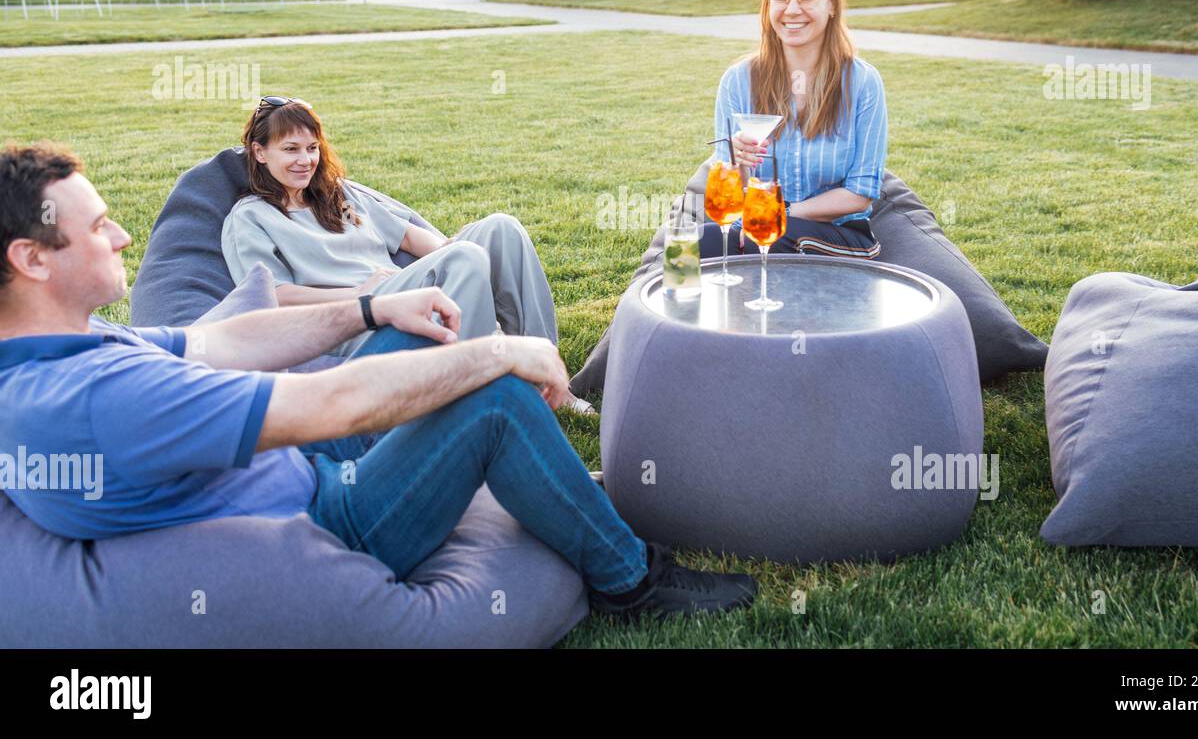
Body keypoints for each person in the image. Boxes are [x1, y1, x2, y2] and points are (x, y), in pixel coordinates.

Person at [0, 142, 757, 620]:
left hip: (304, 462)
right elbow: (324, 401)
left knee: (420, 327)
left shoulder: (61, 344)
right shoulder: (93, 400)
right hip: (325, 511)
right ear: (32, 259)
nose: (123, 234)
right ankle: (632, 582)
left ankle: (554, 481)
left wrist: (373, 306)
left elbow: (219, 337)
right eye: (98, 225)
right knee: (490, 400)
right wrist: (502, 353)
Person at [221, 95, 592, 412]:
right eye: (290, 149)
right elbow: (274, 296)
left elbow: (415, 240)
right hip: (352, 315)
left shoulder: (339, 196)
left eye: (312, 148)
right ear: (260, 152)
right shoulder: (251, 217)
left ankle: (547, 376)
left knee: (501, 227)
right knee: (464, 258)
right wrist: (357, 295)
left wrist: (461, 257)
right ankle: (480, 397)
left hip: (403, 288)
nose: (305, 160)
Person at [705, 0, 887, 259]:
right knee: (700, 241)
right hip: (760, 226)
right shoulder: (737, 81)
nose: (791, 10)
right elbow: (732, 190)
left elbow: (861, 194)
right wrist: (739, 163)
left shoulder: (862, 83)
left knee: (763, 239)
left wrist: (782, 212)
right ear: (767, 5)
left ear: (831, 4)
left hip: (839, 234)